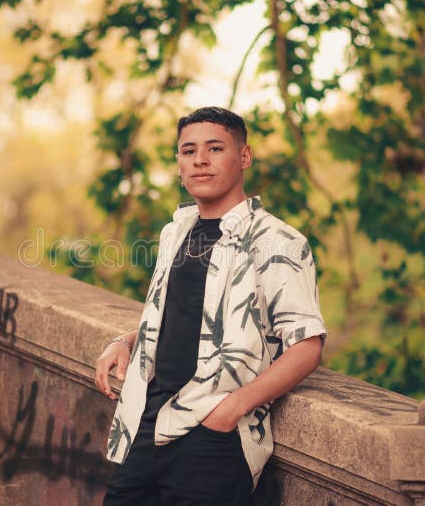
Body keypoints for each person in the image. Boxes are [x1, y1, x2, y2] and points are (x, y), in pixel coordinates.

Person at [95, 106, 326, 505]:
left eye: (215, 148)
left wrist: (232, 408)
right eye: (188, 151)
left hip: (212, 438)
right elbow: (186, 315)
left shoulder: (278, 241)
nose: (200, 159)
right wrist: (126, 341)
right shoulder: (176, 232)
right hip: (149, 422)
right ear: (179, 164)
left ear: (244, 156)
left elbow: (307, 346)